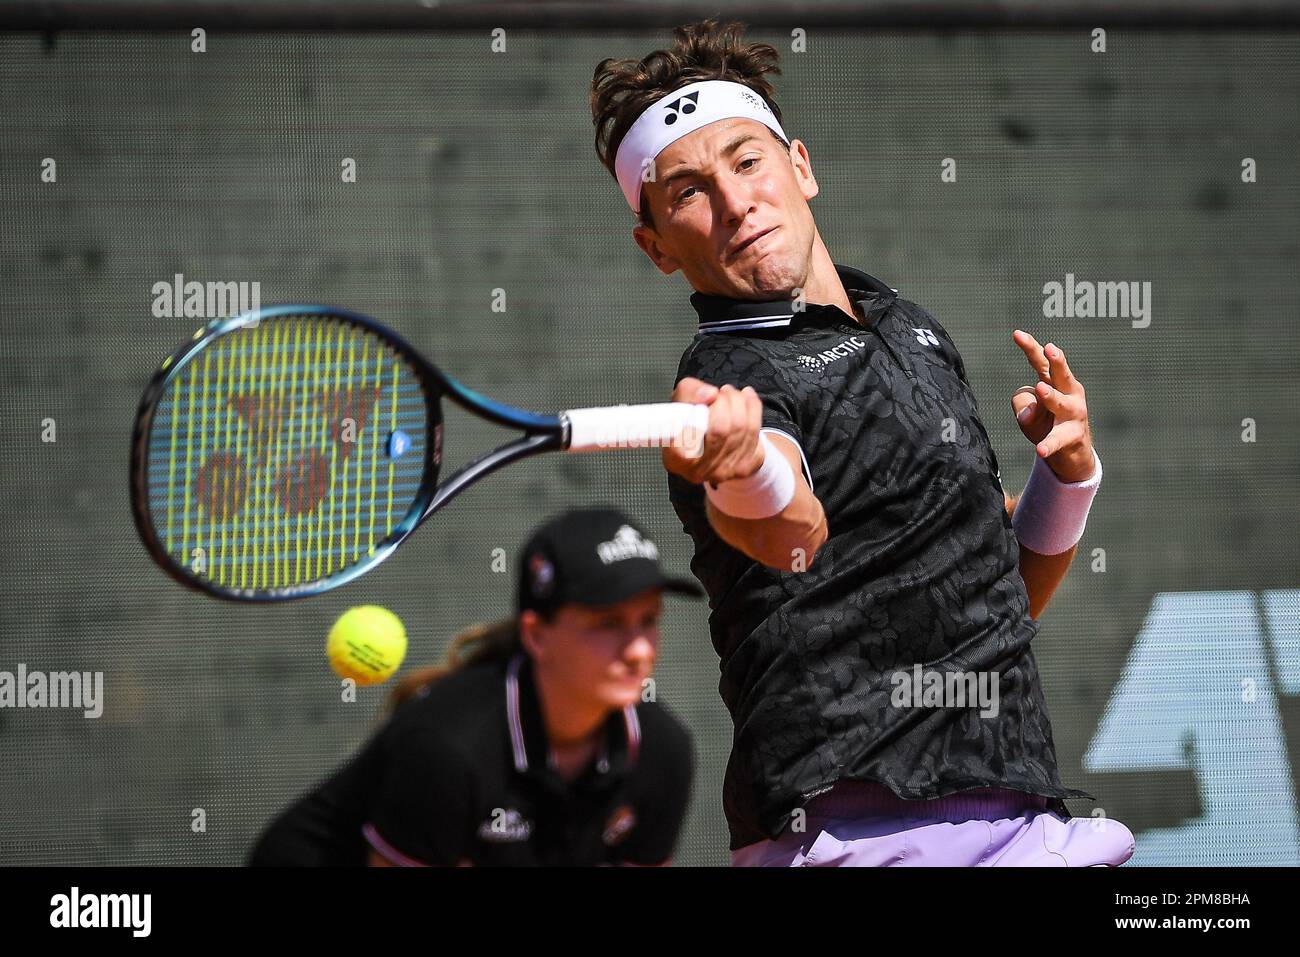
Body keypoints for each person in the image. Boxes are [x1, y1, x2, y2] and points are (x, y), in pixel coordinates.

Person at [589, 19, 1135, 866]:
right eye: (689, 192)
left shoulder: (907, 326)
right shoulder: (732, 374)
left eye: (746, 160)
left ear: (799, 166)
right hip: (852, 836)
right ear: (656, 245)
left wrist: (1067, 478)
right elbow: (788, 533)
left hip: (1023, 814)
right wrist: (746, 477)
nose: (736, 203)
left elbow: (999, 605)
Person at [248, 507, 699, 866]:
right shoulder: (446, 748)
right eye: (608, 624)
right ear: (537, 635)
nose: (640, 649)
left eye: (649, 620)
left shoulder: (664, 752)